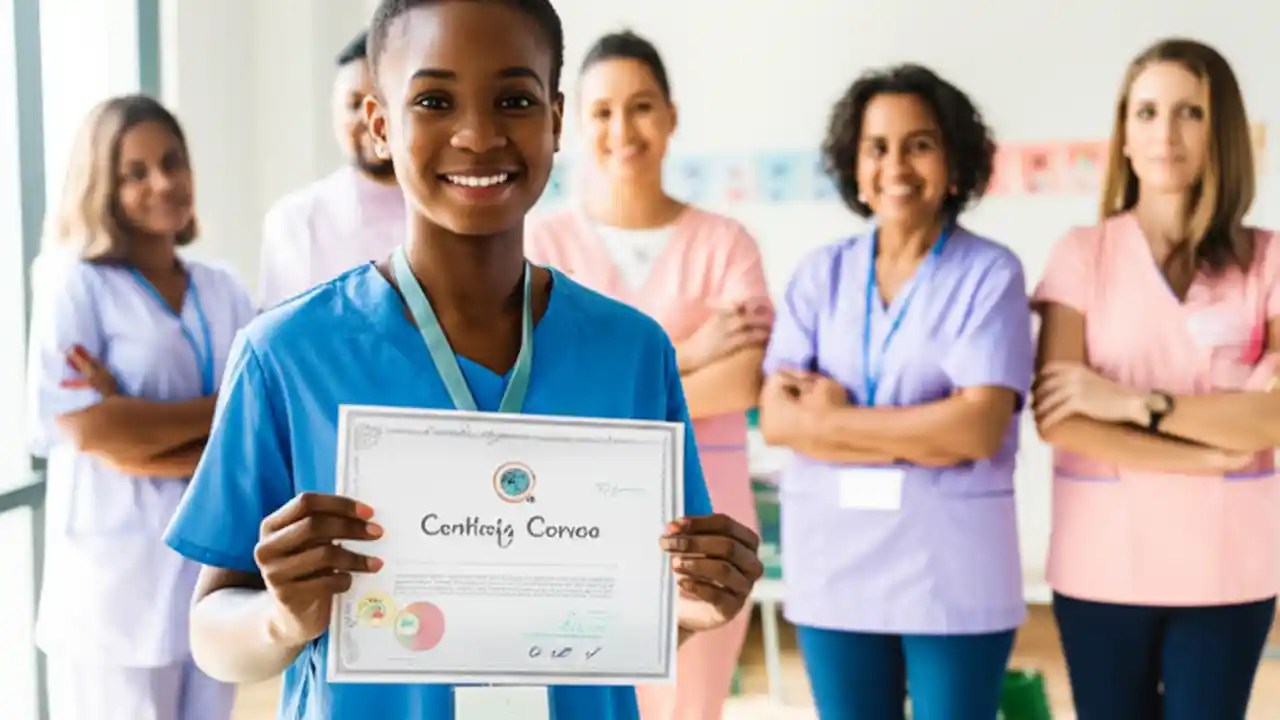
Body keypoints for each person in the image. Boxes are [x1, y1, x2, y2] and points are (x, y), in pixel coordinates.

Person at [160, 2, 764, 719]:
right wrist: (281, 618)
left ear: (555, 119)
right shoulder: (287, 355)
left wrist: (701, 604)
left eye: (514, 99)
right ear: (380, 124)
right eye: (433, 100)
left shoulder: (632, 353)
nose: (477, 134)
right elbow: (212, 633)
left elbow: (638, 614)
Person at [757, 64, 1034, 720]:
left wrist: (833, 421)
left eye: (920, 144)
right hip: (835, 564)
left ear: (954, 158)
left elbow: (973, 432)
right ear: (855, 164)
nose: (896, 165)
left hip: (951, 567)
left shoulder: (990, 275)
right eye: (877, 147)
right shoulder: (819, 275)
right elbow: (776, 418)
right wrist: (922, 433)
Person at [525, 31, 771, 720]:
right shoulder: (543, 245)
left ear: (670, 116)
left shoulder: (726, 242)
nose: (622, 129)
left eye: (641, 107)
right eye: (603, 111)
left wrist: (607, 393)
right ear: (575, 122)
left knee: (693, 709)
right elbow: (546, 395)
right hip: (574, 527)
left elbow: (743, 382)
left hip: (705, 523)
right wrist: (690, 352)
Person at [1032, 38, 1280, 720]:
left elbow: (1275, 419)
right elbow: (1061, 418)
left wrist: (1132, 402)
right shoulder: (1083, 255)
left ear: (1219, 129)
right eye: (1145, 112)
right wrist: (1212, 448)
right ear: (1124, 131)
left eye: (1189, 113)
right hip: (1104, 564)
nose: (1164, 133)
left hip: (1227, 566)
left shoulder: (1267, 261)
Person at [25, 94, 254, 720]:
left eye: (173, 162)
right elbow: (94, 432)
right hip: (113, 585)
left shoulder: (222, 287)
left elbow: (259, 422)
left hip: (210, 568)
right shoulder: (74, 284)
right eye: (136, 172)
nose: (164, 182)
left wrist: (139, 420)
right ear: (102, 184)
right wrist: (220, 411)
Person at [257, 29, 406, 308]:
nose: (369, 119)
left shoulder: (450, 208)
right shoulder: (295, 219)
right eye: (353, 105)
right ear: (334, 113)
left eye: (383, 103)